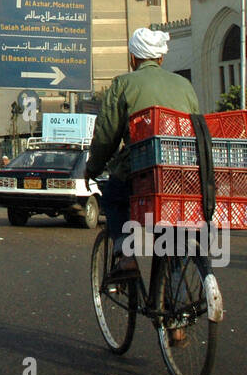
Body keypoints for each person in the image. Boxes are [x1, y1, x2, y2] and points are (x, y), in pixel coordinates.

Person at [85, 27, 199, 279]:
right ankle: (175, 283)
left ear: (133, 59)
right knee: (171, 226)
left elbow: (106, 136)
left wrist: (92, 168)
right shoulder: (184, 85)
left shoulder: (123, 84)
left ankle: (126, 255)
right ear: (161, 59)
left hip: (139, 169)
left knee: (113, 199)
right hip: (180, 171)